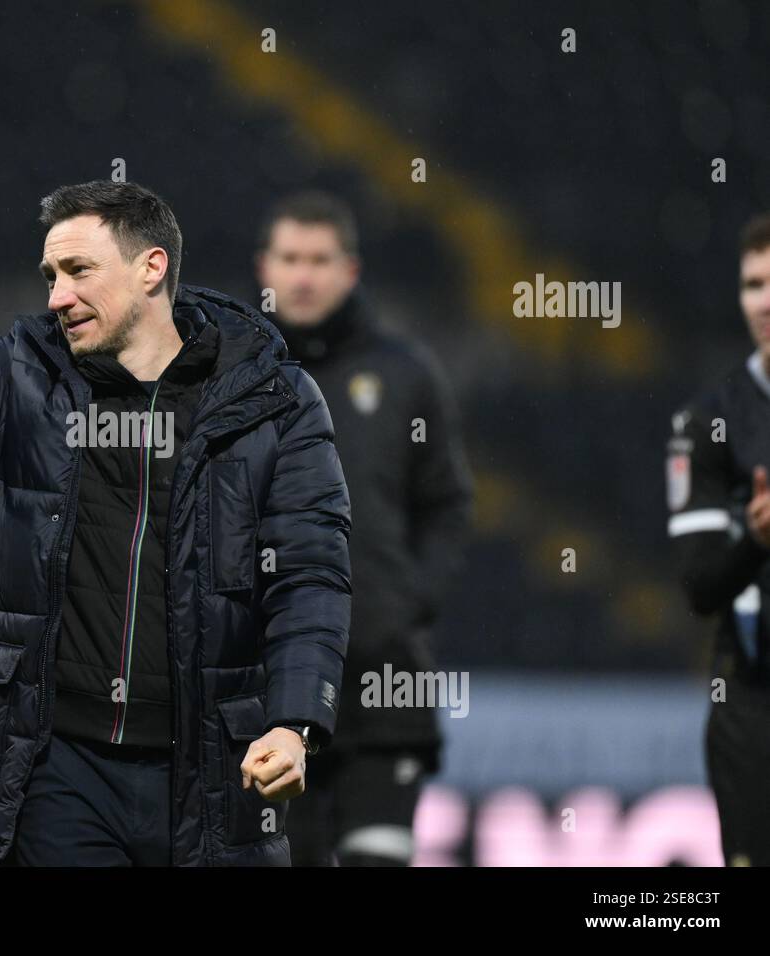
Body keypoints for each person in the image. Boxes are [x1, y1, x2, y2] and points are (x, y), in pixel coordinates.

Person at [0, 94, 352, 865]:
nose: (56, 294)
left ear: (151, 268)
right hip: (58, 772)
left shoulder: (276, 403)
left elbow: (310, 577)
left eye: (77, 271)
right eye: (50, 274)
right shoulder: (21, 381)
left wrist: (295, 723)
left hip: (207, 771)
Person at [254, 191, 473, 866]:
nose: (303, 276)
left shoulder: (406, 374)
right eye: (290, 258)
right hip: (270, 683)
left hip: (384, 683)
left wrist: (408, 602)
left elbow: (448, 506)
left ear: (350, 271)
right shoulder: (237, 374)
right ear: (265, 267)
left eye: (319, 260)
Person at [667, 212, 770, 867]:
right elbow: (700, 588)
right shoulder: (710, 422)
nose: (766, 301)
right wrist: (756, 541)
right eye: (754, 283)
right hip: (754, 706)